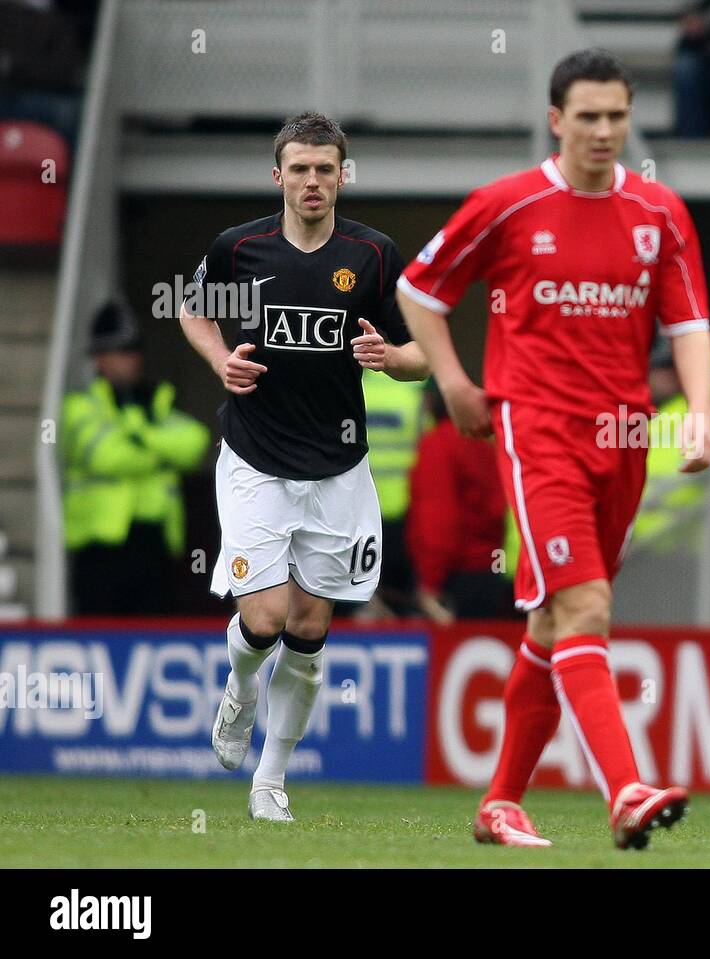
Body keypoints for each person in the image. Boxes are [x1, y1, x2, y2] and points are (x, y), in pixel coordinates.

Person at [398, 50, 710, 851]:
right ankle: (625, 790)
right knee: (588, 608)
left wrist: (702, 412)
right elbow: (419, 288)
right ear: (557, 120)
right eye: (589, 117)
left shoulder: (661, 214)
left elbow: (689, 328)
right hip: (537, 432)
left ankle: (500, 801)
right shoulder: (507, 205)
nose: (605, 130)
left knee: (551, 623)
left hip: (627, 440)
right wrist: (456, 382)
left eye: (617, 115)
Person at [178, 112, 428, 822]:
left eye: (325, 168)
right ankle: (240, 691)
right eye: (300, 168)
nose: (312, 180)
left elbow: (421, 356)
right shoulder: (241, 248)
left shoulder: (375, 256)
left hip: (338, 469)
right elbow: (194, 313)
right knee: (262, 617)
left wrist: (393, 359)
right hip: (255, 457)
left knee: (310, 630)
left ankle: (271, 781)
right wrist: (217, 358)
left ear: (343, 175)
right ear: (278, 175)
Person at [62, 300, 210, 614]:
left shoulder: (154, 401)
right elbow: (107, 456)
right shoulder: (80, 406)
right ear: (99, 357)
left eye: (134, 350)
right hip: (99, 550)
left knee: (154, 630)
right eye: (122, 351)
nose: (132, 359)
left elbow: (196, 443)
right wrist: (162, 452)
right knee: (99, 639)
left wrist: (136, 436)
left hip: (155, 546)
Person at [406, 390, 513, 623]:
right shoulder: (486, 444)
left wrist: (429, 584)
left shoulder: (439, 445)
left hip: (454, 578)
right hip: (490, 572)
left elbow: (439, 520)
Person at [634, 336, 710, 546]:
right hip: (641, 549)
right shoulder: (636, 416)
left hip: (692, 547)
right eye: (658, 368)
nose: (665, 376)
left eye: (671, 368)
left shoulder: (704, 418)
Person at [357, 368, 427, 617]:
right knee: (406, 590)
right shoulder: (417, 388)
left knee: (362, 585)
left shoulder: (357, 384)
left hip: (363, 503)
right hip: (407, 504)